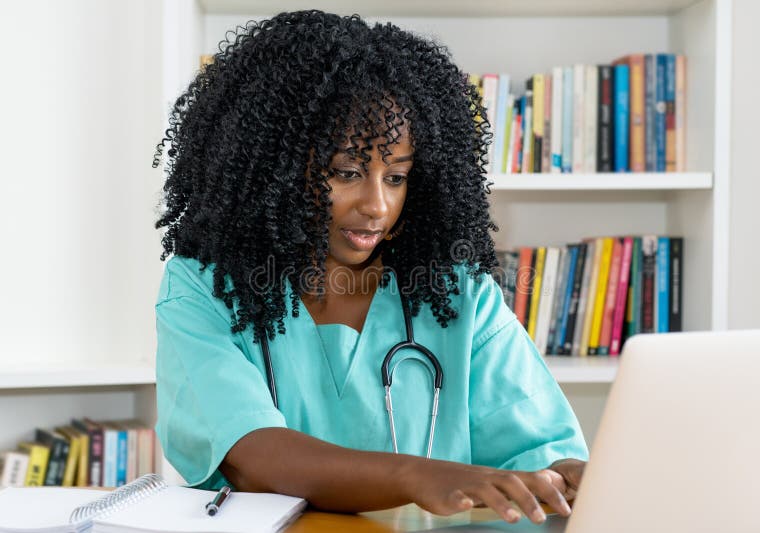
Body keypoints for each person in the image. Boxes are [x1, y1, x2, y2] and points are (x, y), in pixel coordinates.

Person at [152, 10, 588, 526]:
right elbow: (252, 456)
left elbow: (535, 448)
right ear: (278, 167)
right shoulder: (202, 290)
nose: (377, 205)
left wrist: (566, 475)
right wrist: (418, 476)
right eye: (348, 173)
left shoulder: (458, 296)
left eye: (397, 177)